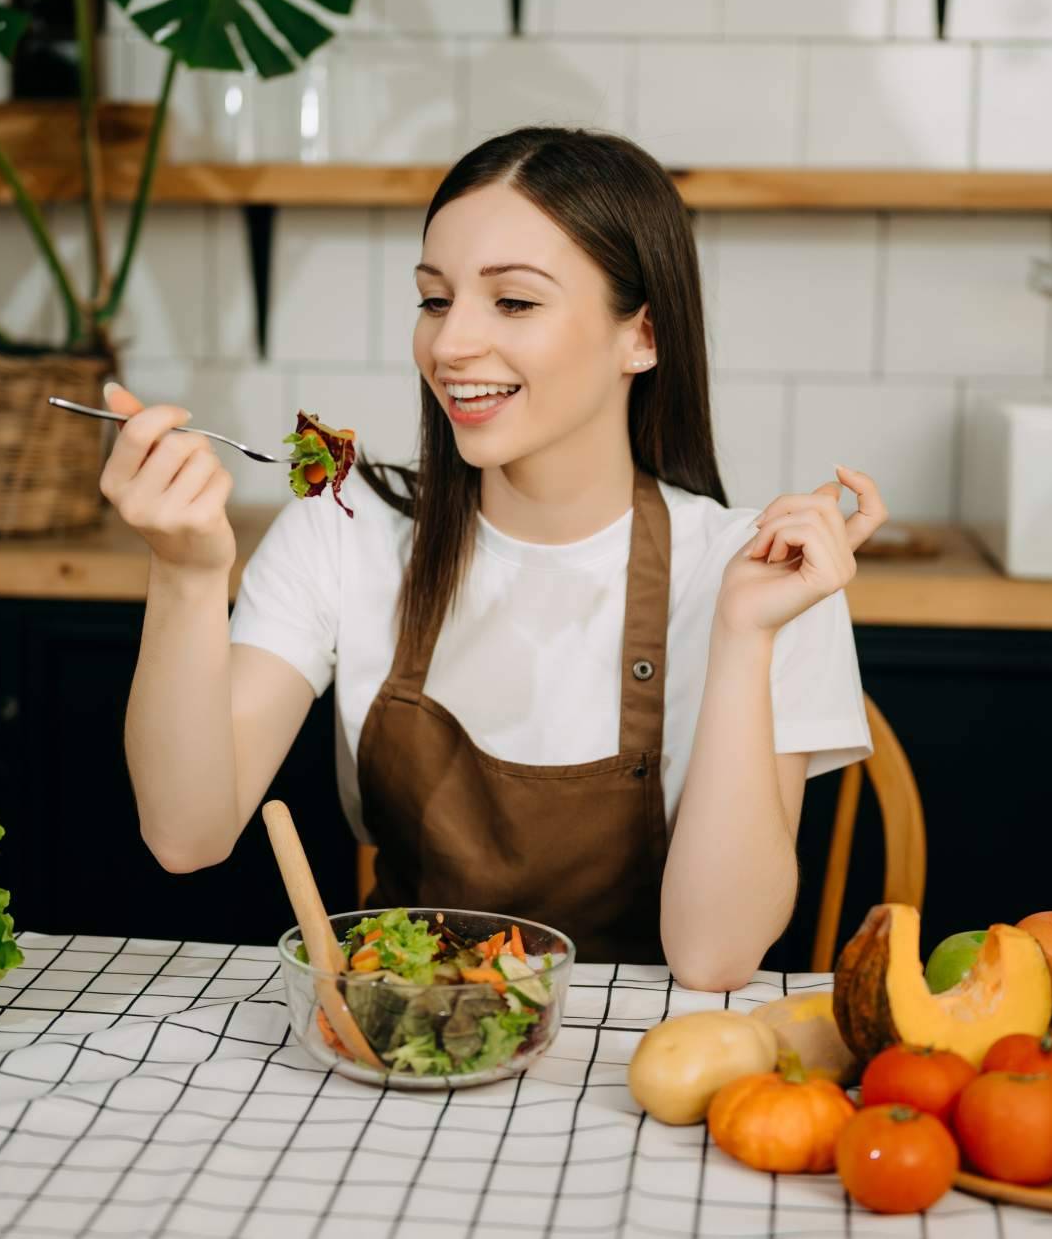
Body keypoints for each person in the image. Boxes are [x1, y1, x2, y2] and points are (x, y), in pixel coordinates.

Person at [101, 127, 885, 990]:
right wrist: (184, 573)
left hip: (635, 1072)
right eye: (435, 300)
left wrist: (743, 636)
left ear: (644, 336)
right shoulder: (345, 525)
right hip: (403, 1045)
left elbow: (714, 955)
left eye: (513, 303)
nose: (450, 344)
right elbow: (186, 832)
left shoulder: (758, 574)